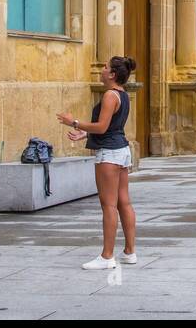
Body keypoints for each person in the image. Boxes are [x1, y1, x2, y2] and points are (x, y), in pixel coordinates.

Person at [56, 55, 139, 270]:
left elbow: (102, 127)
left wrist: (73, 122)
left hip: (109, 154)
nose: (102, 70)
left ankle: (107, 256)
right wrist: (84, 134)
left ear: (112, 74)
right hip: (121, 149)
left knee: (109, 205)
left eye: (105, 67)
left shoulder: (110, 96)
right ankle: (130, 252)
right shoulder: (123, 94)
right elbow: (112, 127)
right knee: (124, 202)